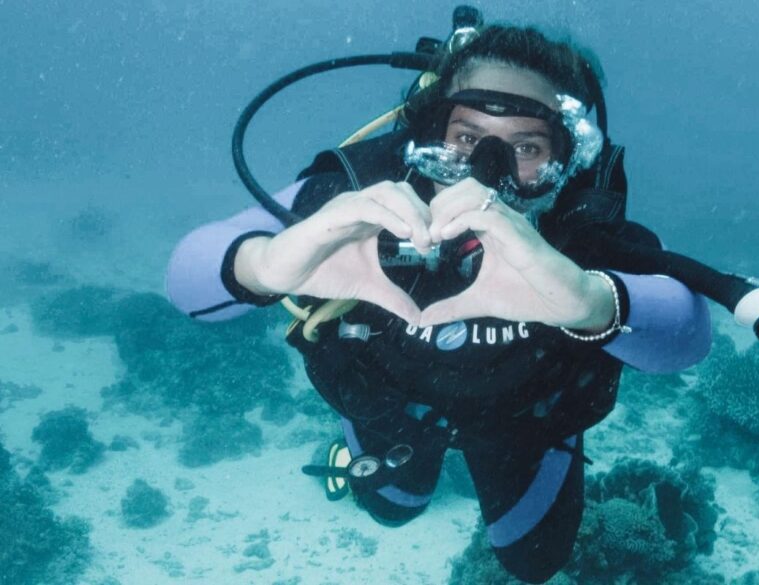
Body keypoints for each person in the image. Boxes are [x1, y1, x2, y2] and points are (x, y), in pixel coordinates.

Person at [167, 24, 713, 583]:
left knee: (534, 562)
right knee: (392, 508)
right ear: (431, 129)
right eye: (468, 138)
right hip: (388, 404)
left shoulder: (579, 226)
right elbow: (187, 280)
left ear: (566, 157)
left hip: (526, 420)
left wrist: (589, 300)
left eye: (526, 147)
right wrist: (266, 266)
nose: (487, 173)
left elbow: (690, 335)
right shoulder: (366, 191)